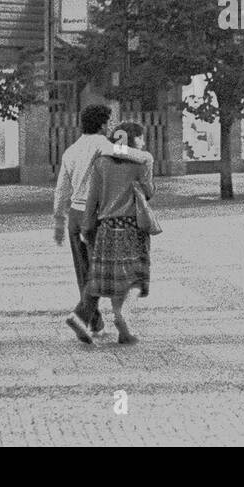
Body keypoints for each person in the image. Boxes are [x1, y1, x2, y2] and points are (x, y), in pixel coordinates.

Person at [55, 104, 151, 343]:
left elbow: (61, 189)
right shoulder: (103, 145)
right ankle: (81, 317)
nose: (109, 126)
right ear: (100, 124)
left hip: (73, 217)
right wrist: (146, 157)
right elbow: (134, 154)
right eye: (108, 122)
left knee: (83, 272)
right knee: (99, 272)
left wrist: (59, 219)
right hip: (93, 214)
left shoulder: (70, 150)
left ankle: (95, 322)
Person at [81, 122, 155, 346]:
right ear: (133, 140)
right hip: (132, 228)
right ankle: (121, 318)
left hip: (106, 229)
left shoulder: (101, 163)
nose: (143, 142)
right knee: (131, 278)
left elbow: (92, 198)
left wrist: (86, 226)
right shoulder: (143, 161)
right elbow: (149, 192)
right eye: (141, 138)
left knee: (111, 277)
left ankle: (90, 319)